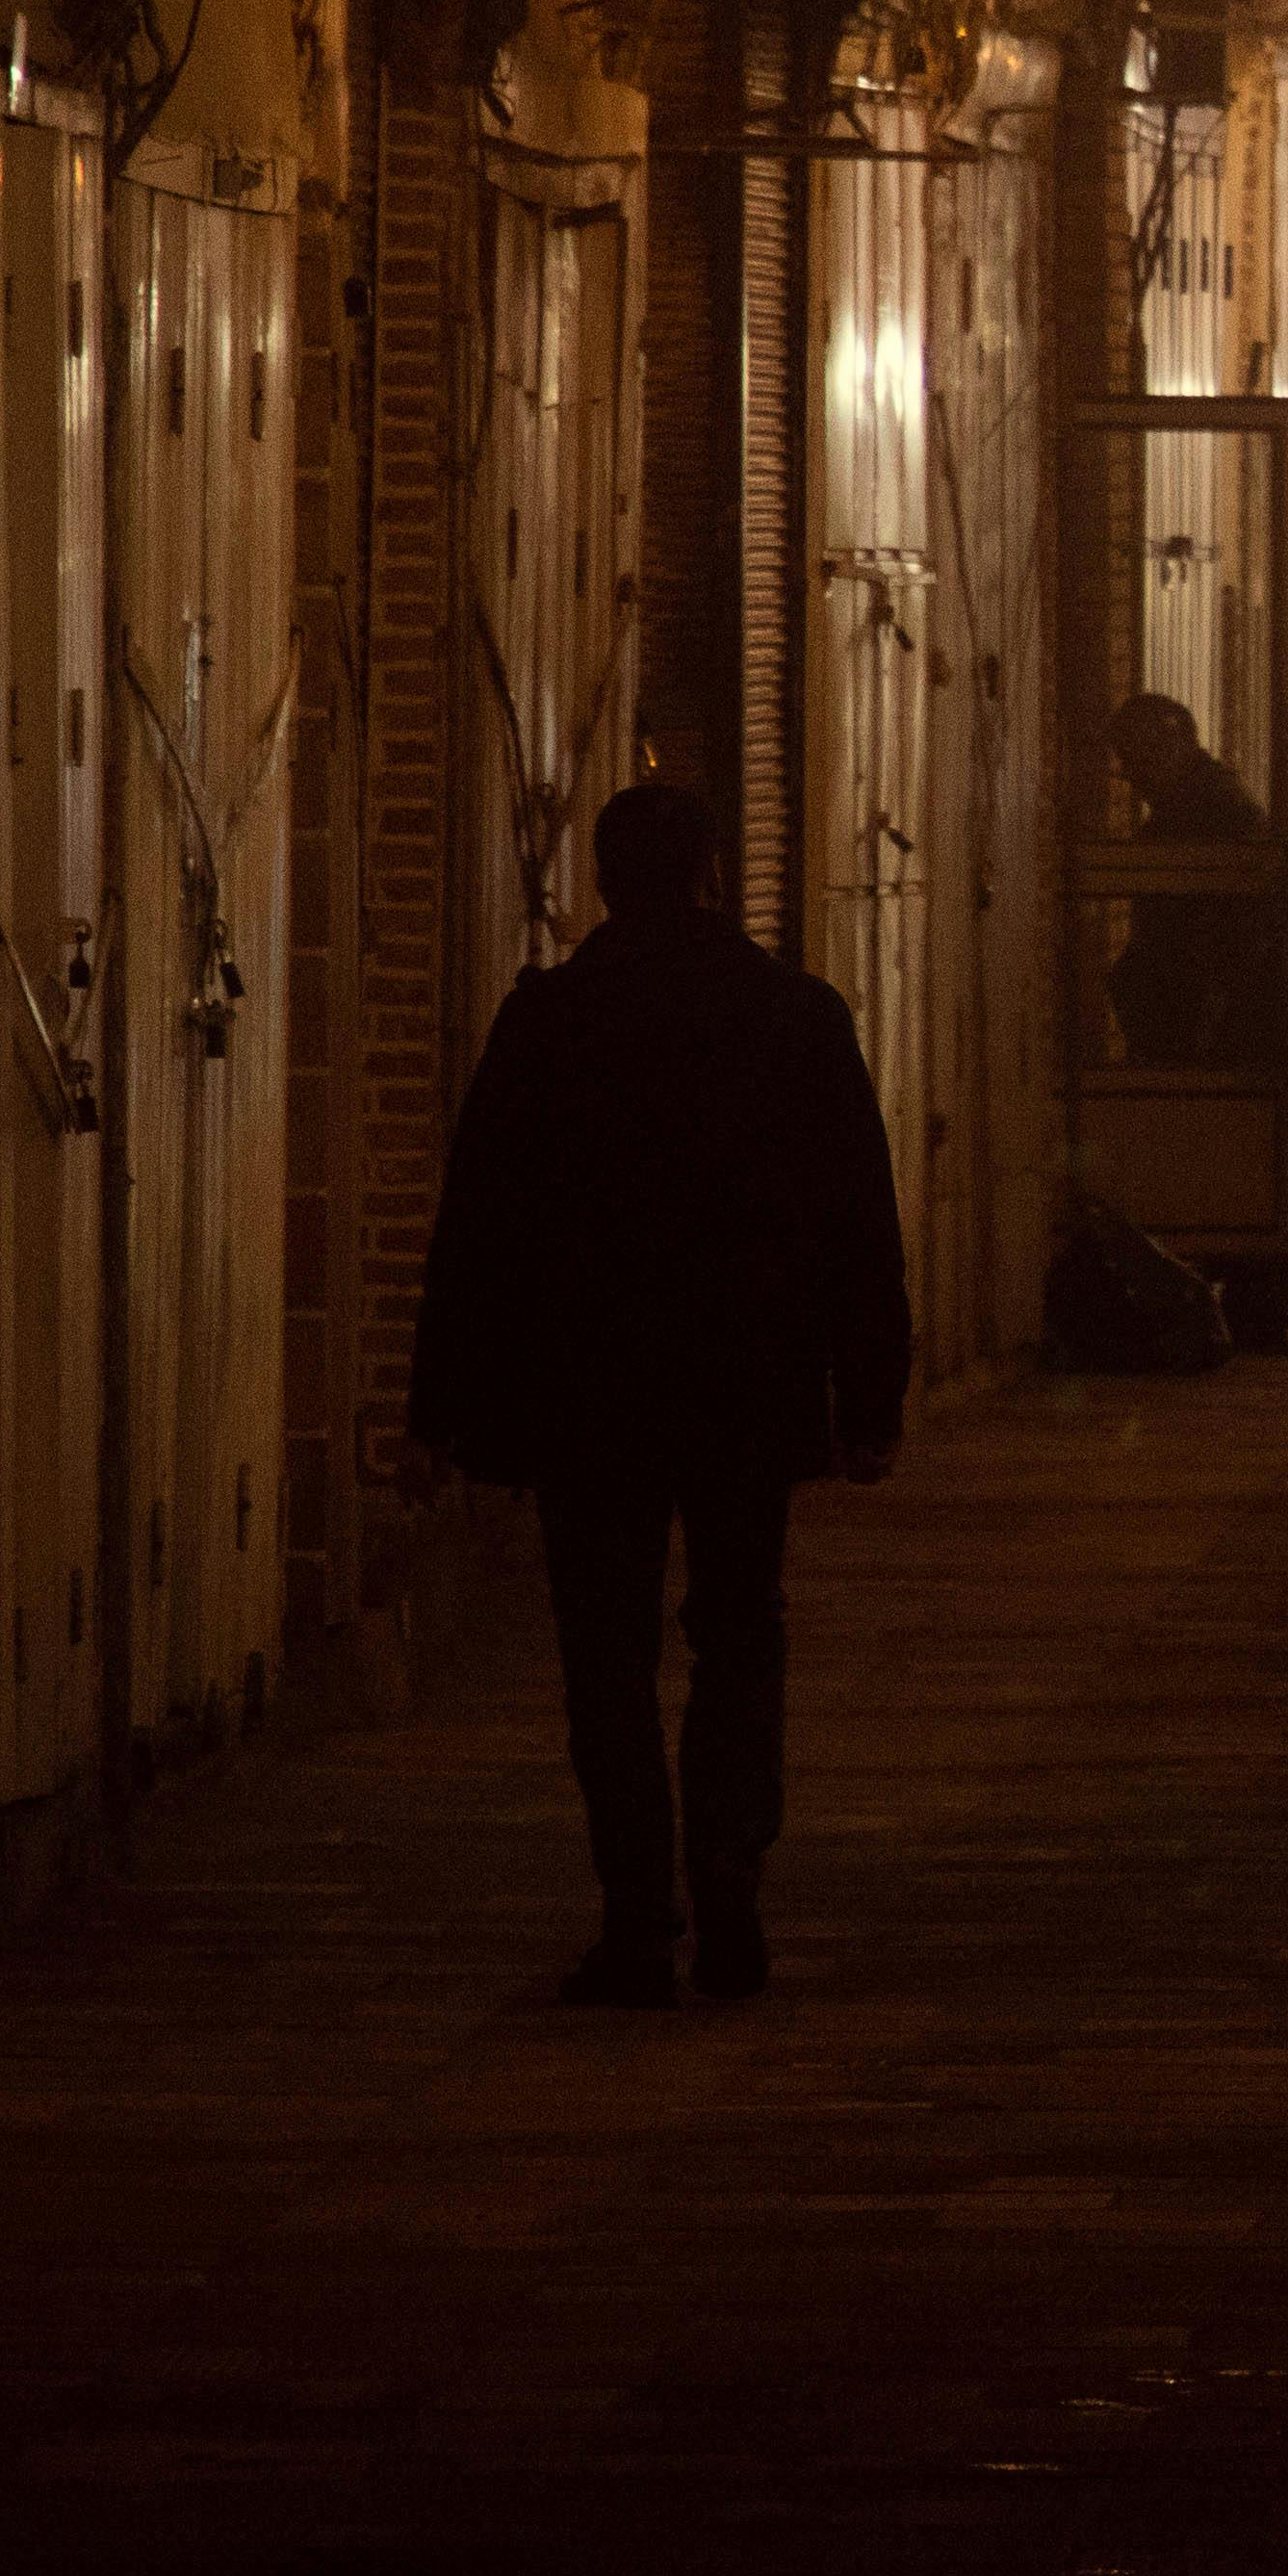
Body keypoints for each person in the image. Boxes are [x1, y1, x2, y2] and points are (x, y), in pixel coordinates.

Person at [413, 782, 912, 2008]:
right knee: (741, 1627)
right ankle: (732, 1870)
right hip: (747, 1380)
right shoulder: (797, 1018)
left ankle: (637, 1913)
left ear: (603, 884)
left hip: (595, 1387)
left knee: (607, 1648)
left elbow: (478, 1221)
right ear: (712, 875)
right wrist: (874, 1392)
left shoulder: (551, 1022)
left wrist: (449, 1404)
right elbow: (861, 1219)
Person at [1102, 689, 1273, 1064]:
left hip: (1199, 1014)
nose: (1131, 776)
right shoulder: (1202, 803)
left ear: (1169, 747)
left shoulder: (1213, 809)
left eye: (1138, 758)